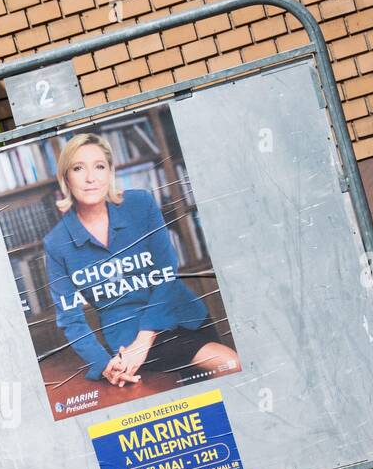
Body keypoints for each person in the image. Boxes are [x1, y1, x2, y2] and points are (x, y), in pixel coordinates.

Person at [41, 132, 240, 388]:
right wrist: (105, 364)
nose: (91, 178)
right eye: (79, 168)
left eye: (99, 167)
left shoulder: (140, 203)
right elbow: (70, 319)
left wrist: (144, 339)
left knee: (217, 388)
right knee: (229, 363)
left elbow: (167, 273)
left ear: (110, 172)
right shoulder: (56, 243)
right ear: (66, 177)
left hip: (183, 314)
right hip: (129, 335)